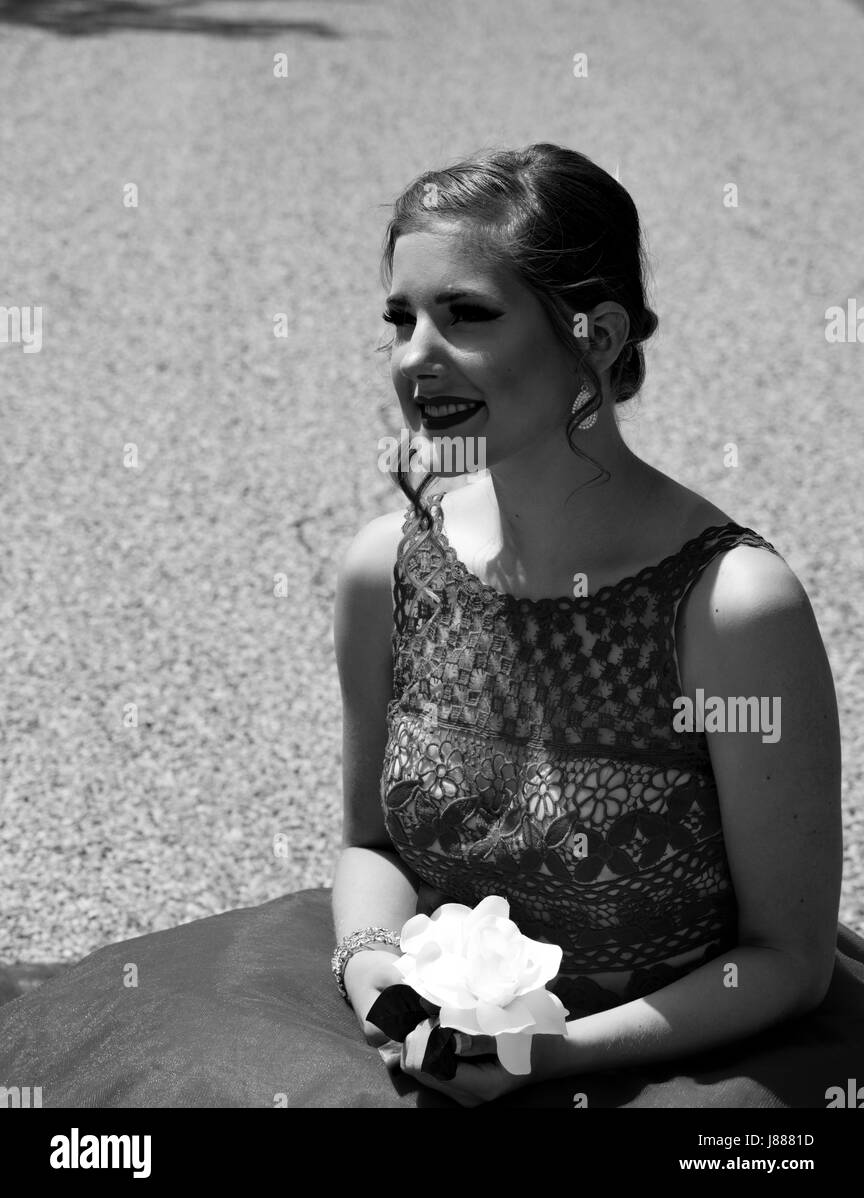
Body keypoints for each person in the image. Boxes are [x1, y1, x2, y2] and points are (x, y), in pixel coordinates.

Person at [2, 142, 863, 1109]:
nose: (416, 356)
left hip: (670, 1056)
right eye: (399, 317)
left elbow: (788, 959)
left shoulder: (733, 606)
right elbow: (372, 845)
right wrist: (381, 986)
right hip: (424, 1037)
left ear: (601, 332)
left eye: (467, 315)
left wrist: (553, 1054)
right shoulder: (387, 569)